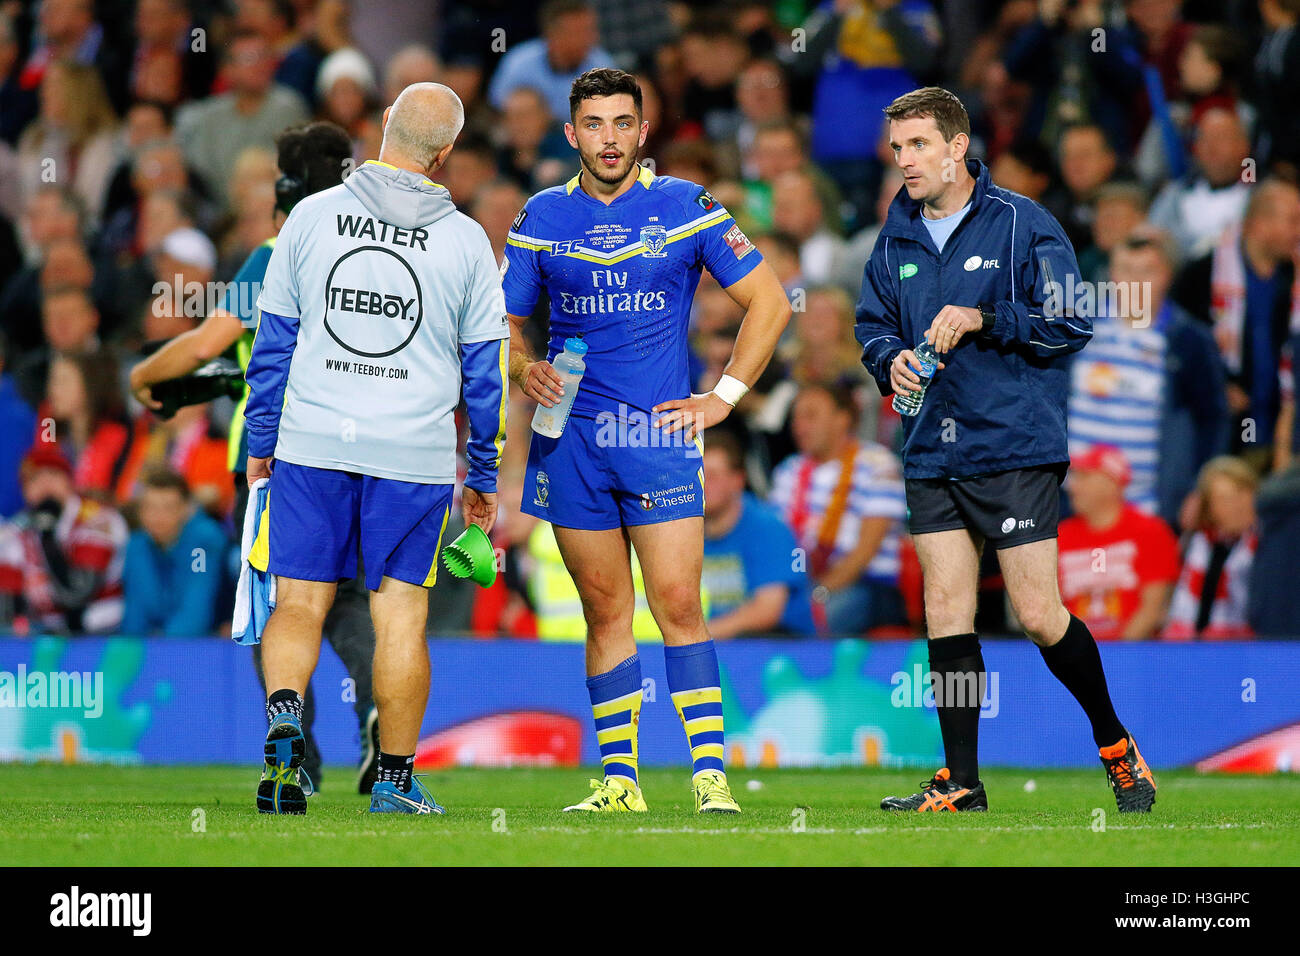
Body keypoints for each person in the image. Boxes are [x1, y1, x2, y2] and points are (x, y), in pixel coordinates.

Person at [855, 87, 1156, 813]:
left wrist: (988, 316)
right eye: (898, 148)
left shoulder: (1023, 223)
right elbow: (871, 325)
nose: (906, 161)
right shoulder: (892, 236)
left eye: (919, 145)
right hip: (930, 445)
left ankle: (1116, 745)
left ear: (958, 147)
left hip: (1013, 443)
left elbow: (1073, 320)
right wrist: (887, 359)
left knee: (1038, 612)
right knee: (946, 609)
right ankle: (961, 781)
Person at [504, 68, 791, 814]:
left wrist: (723, 397)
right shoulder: (538, 216)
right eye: (593, 125)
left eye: (622, 123)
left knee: (676, 603)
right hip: (570, 443)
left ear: (642, 130)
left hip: (656, 437)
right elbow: (499, 323)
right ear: (572, 134)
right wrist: (525, 365)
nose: (609, 138)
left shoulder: (686, 206)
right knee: (606, 613)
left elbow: (769, 300)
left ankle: (709, 777)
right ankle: (621, 783)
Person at [244, 83, 508, 815]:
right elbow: (486, 377)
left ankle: (286, 731)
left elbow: (272, 347)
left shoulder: (310, 217)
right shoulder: (464, 242)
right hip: (413, 455)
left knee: (297, 601)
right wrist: (482, 475)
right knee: (399, 616)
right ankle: (393, 781)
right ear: (447, 152)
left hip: (312, 442)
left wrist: (260, 443)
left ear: (384, 124)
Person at [130, 122, 382, 793]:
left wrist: (142, 377)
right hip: (360, 451)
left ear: (285, 189)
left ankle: (293, 748)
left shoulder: (276, 252)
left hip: (274, 461)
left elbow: (206, 343)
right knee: (352, 601)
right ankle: (380, 717)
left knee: (273, 604)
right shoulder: (371, 253)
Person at [768, 383, 906, 634]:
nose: (798, 426)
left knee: (808, 620)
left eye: (810, 415)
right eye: (795, 417)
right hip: (800, 585)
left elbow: (865, 552)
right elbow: (776, 540)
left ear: (843, 419)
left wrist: (818, 595)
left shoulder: (878, 465)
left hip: (867, 586)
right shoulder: (789, 470)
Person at [0, 443, 127, 634]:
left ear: (70, 482)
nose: (45, 486)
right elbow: (6, 606)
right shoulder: (17, 531)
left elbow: (76, 594)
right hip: (44, 634)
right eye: (34, 479)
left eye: (53, 475)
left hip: (102, 633)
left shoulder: (97, 518)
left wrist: (48, 538)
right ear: (25, 492)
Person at [1057, 445, 1179, 641]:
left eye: (1084, 477)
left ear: (1112, 483)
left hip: (1134, 654)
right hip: (1073, 658)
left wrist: (1119, 656)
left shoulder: (1150, 532)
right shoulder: (1059, 536)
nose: (1072, 487)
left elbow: (1153, 609)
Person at [701, 431, 815, 638]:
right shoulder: (682, 530)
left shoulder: (768, 528)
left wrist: (694, 638)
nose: (702, 484)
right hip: (719, 646)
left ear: (738, 480)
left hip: (780, 648)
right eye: (697, 475)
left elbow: (766, 611)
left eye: (712, 475)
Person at [120, 468, 227, 636]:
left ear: (186, 509)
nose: (158, 516)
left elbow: (196, 610)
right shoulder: (137, 545)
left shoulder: (203, 543)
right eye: (150, 507)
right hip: (160, 641)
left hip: (208, 642)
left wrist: (163, 649)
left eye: (168, 508)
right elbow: (135, 611)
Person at [1164, 456, 1258, 640]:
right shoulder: (1193, 543)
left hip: (1249, 647)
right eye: (1223, 498)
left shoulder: (1268, 545)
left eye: (1241, 493)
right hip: (1188, 646)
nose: (1236, 506)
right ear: (1209, 507)